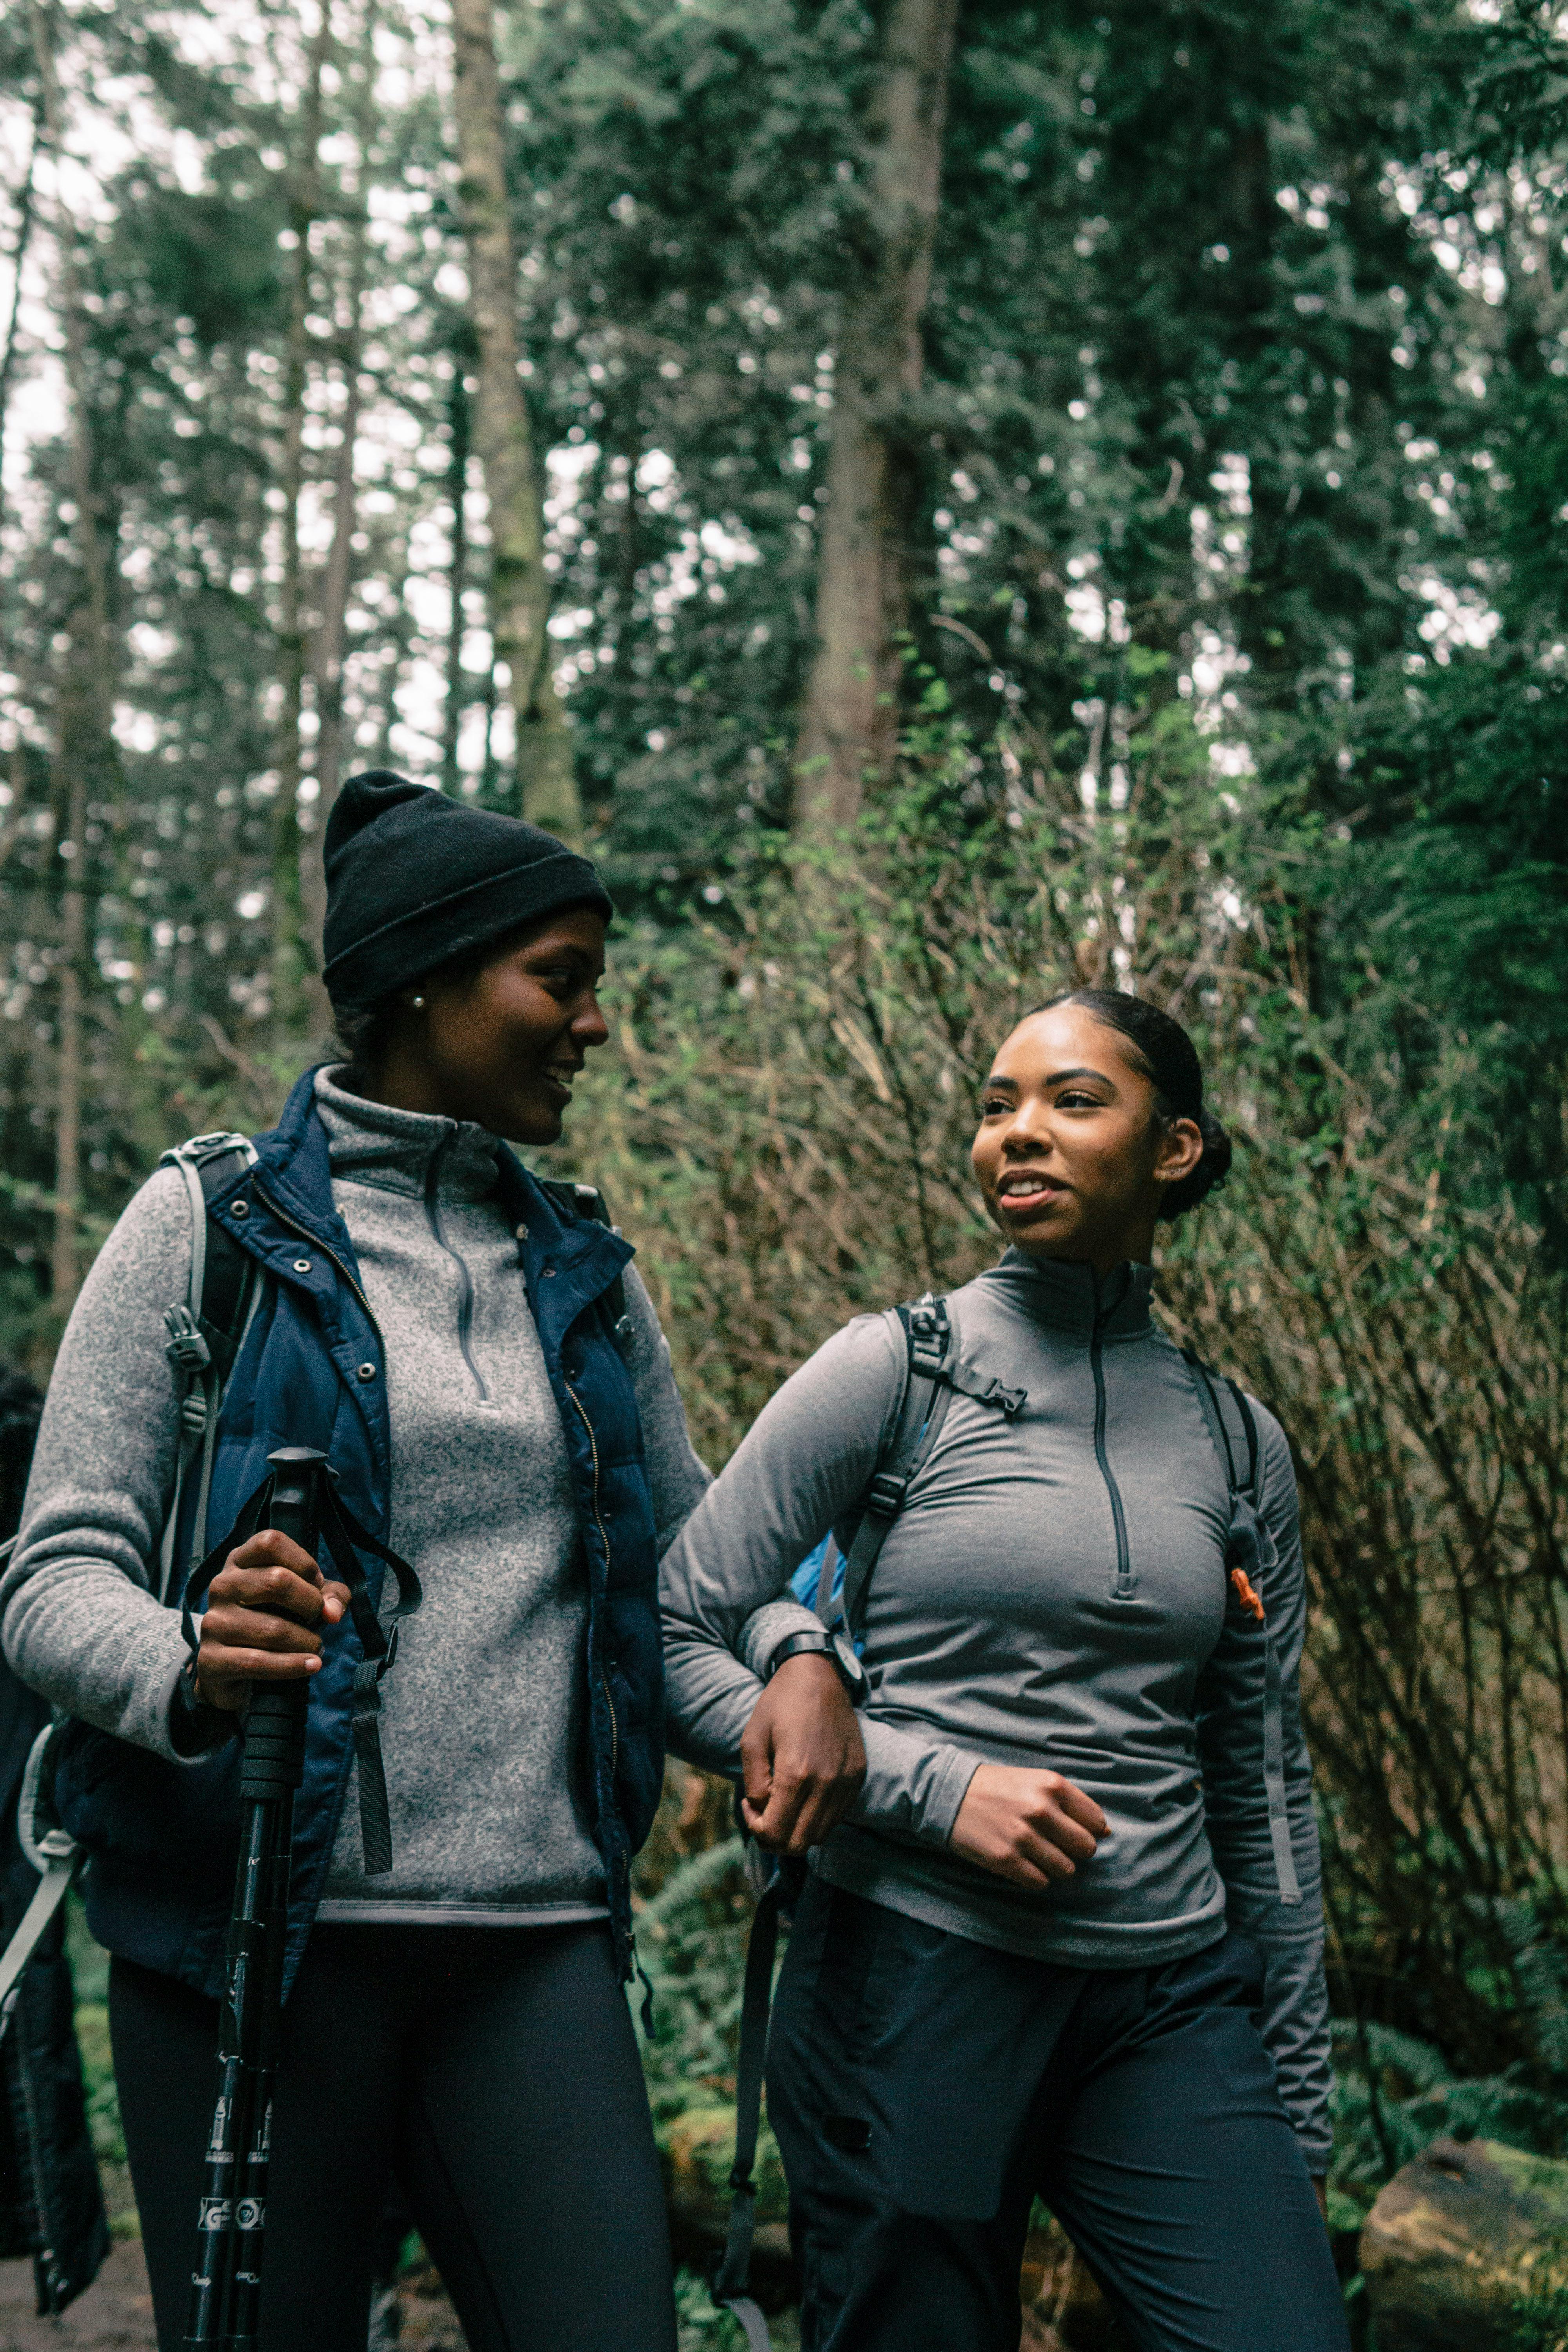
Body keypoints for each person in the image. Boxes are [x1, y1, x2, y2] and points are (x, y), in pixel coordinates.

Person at [1, 771, 710, 2352]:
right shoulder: (206, 1230)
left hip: (532, 1957)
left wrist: (808, 1678)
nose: (594, 1024)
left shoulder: (586, 1268)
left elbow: (690, 1592)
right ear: (424, 981)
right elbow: (53, 1580)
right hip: (249, 1942)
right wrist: (190, 1661)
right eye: (563, 980)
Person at [660, 989, 1350, 2352]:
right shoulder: (892, 1372)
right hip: (910, 1976)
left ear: (1176, 1148)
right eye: (995, 1105)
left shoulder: (1234, 1437)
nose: (1016, 1135)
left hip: (1169, 1999)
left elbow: (1260, 1772)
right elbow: (673, 1624)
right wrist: (928, 1782)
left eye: (1072, 1100)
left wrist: (1296, 2093)